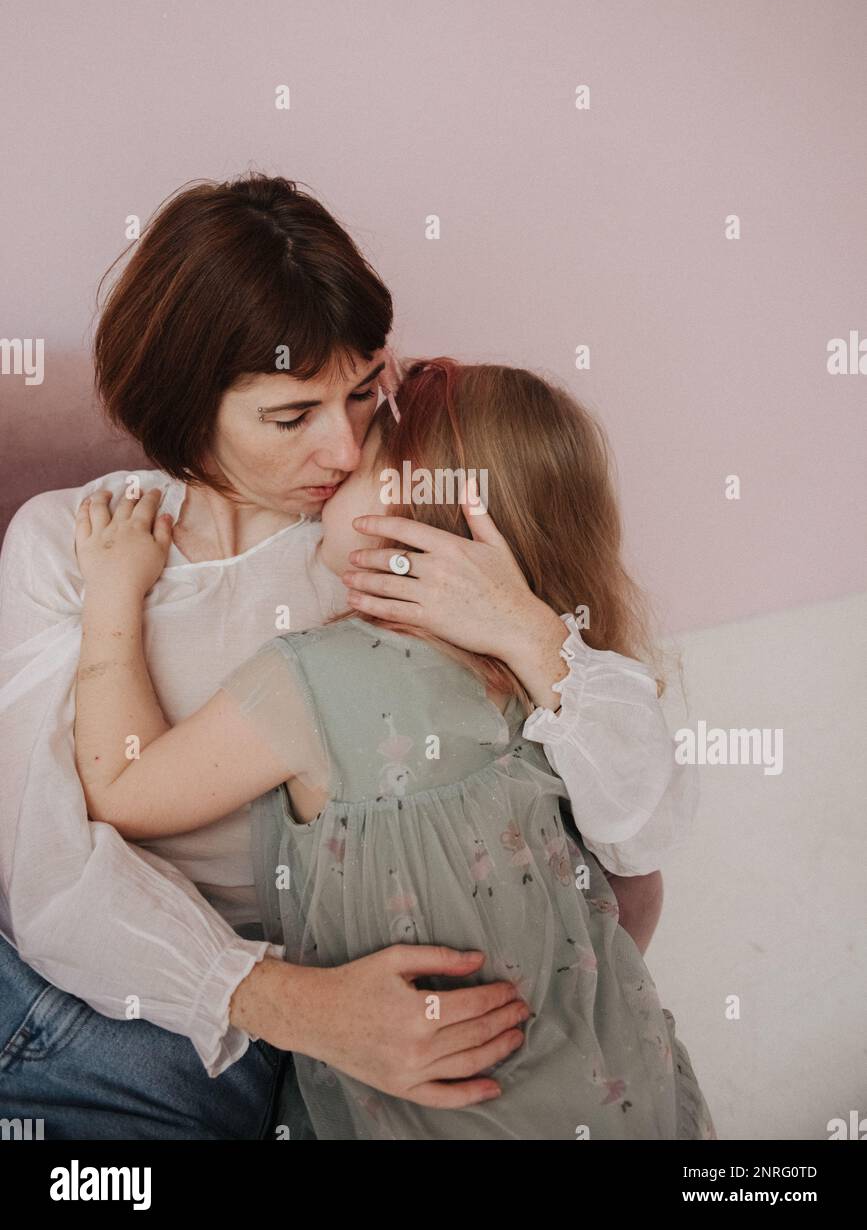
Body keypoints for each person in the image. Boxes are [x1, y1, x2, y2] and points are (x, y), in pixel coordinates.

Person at [0, 173, 669, 1139]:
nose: (345, 446)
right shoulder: (81, 537)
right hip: (94, 1006)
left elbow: (623, 847)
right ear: (186, 406)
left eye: (364, 393)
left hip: (341, 1022)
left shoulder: (391, 536)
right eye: (290, 416)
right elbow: (50, 872)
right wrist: (302, 1008)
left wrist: (526, 626)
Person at [70, 355, 714, 1140]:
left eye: (361, 463)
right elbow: (635, 885)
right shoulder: (560, 690)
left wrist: (112, 592)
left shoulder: (313, 678)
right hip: (622, 1084)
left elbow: (124, 788)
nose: (332, 468)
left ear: (416, 512)